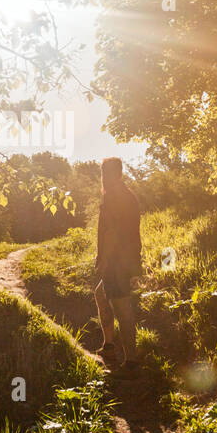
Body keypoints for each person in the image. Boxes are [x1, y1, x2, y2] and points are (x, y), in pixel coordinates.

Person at [93, 156, 142, 371]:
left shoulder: (115, 196)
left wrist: (104, 260)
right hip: (122, 259)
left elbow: (112, 232)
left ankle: (131, 363)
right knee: (101, 295)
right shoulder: (122, 194)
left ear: (117, 174)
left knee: (123, 309)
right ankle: (109, 345)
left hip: (117, 262)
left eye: (107, 173)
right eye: (103, 173)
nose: (104, 177)